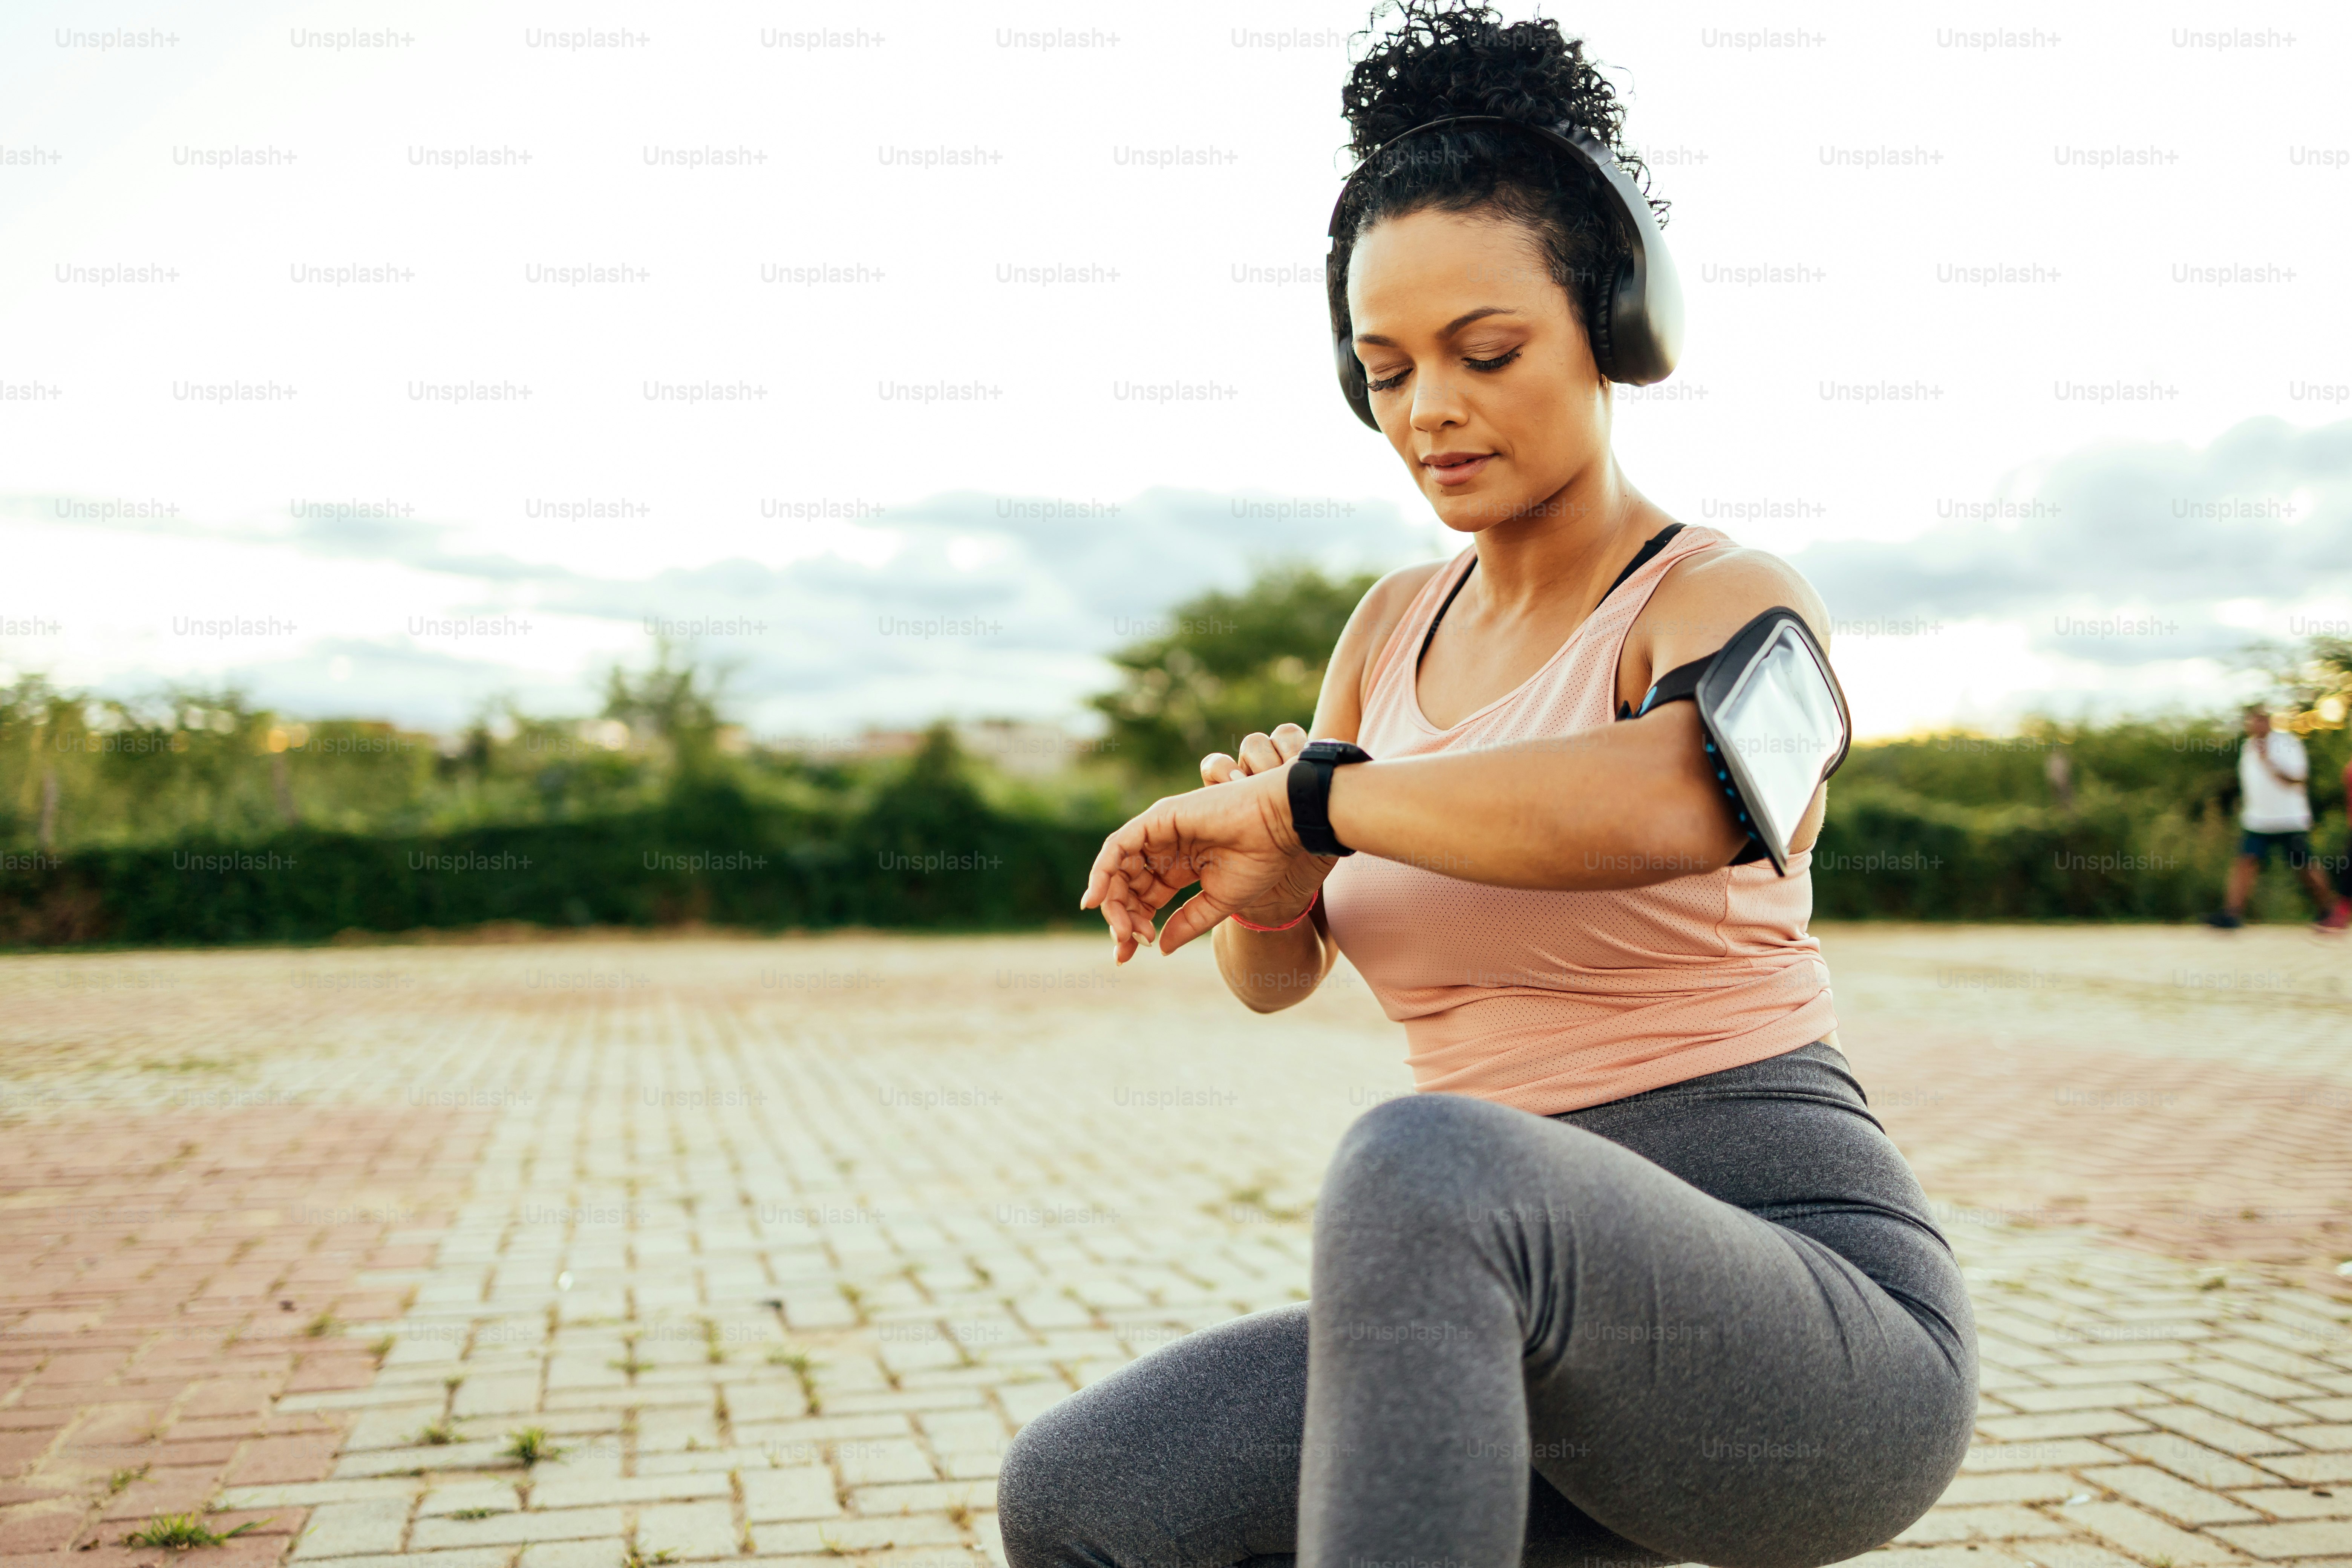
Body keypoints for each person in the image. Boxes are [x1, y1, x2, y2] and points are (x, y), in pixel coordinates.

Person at [996, 6, 1975, 1567]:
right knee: (1090, 1493)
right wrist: (1279, 881)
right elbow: (1275, 975)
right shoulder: (1387, 629)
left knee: (1422, 1157)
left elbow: (1688, 800)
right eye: (1385, 371)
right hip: (1500, 1327)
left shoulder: (1724, 595)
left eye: (1487, 352)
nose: (1428, 410)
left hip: (1813, 1331)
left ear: (1616, 326)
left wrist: (1316, 805)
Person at [2203, 706, 2336, 930]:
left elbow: (2299, 779)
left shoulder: (2289, 743)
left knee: (2305, 866)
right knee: (2245, 862)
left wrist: (2269, 762)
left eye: (2259, 721)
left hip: (2289, 820)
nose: (2255, 726)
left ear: (2268, 722)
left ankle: (2329, 911)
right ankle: (2231, 914)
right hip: (2258, 820)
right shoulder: (2248, 748)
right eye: (2251, 722)